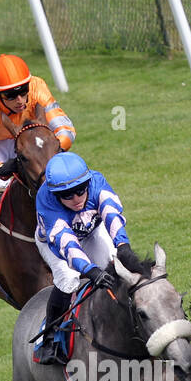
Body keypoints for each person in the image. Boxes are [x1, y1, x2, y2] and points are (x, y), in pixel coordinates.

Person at [0, 54, 76, 261]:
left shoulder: (38, 86)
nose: (20, 100)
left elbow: (65, 128)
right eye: (11, 96)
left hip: (32, 140)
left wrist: (53, 148)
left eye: (23, 92)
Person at [33, 153, 144, 364]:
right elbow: (67, 245)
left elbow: (111, 214)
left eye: (80, 191)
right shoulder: (46, 201)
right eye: (67, 196)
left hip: (91, 231)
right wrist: (91, 271)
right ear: (56, 195)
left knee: (115, 266)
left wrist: (123, 245)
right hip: (55, 243)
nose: (76, 199)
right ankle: (50, 336)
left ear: (87, 183)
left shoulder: (97, 182)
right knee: (68, 279)